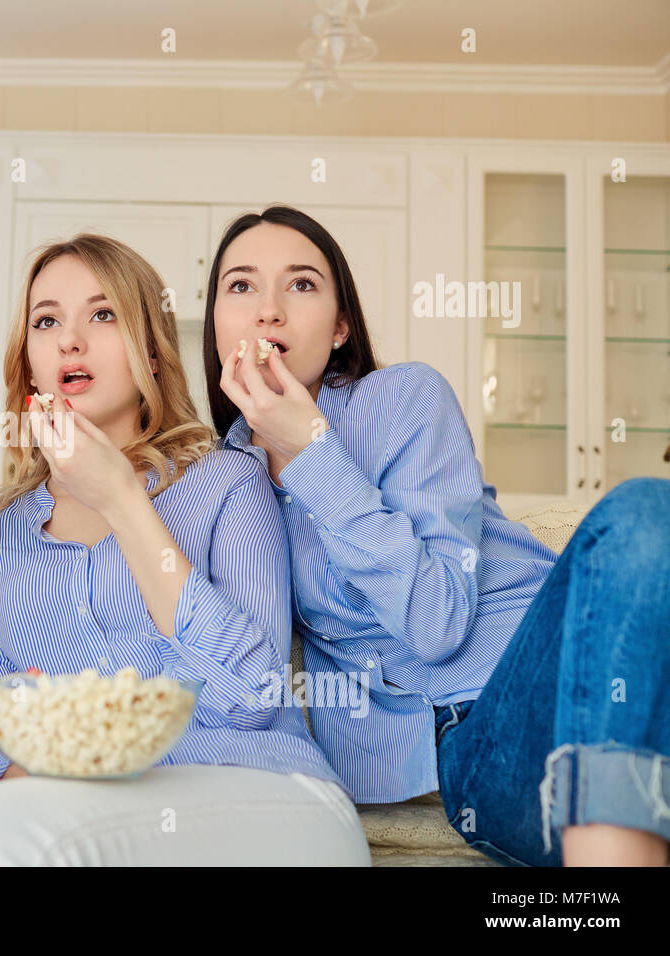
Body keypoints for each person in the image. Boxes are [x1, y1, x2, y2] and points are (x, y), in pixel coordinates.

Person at [204, 203, 670, 866]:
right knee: (646, 510)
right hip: (485, 737)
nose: (268, 310)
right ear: (216, 323)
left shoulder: (404, 399)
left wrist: (313, 450)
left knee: (645, 514)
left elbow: (441, 609)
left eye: (302, 283)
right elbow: (433, 634)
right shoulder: (218, 484)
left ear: (340, 328)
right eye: (241, 286)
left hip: (567, 658)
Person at [0, 234, 370, 865]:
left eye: (103, 315)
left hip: (266, 791)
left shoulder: (226, 482)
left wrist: (125, 506)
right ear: (28, 365)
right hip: (88, 812)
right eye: (46, 321)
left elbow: (250, 698)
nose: (70, 340)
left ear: (153, 356)